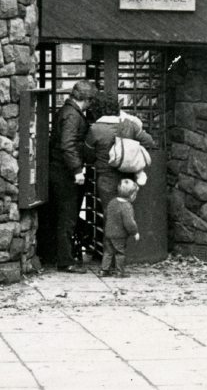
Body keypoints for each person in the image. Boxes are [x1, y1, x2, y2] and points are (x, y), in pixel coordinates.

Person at [84, 91, 155, 227]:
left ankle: (112, 247)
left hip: (106, 179)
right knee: (127, 216)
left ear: (97, 109)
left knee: (111, 218)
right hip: (127, 178)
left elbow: (88, 155)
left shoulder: (95, 130)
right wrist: (132, 153)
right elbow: (150, 142)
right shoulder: (129, 125)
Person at [46, 79, 96, 272]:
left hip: (57, 169)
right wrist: (77, 170)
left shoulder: (66, 112)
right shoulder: (73, 116)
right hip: (64, 172)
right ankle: (65, 260)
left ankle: (58, 255)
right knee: (67, 216)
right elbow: (68, 145)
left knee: (62, 216)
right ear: (87, 99)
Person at [102, 177, 140, 277]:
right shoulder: (127, 206)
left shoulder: (112, 202)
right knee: (120, 253)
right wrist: (135, 232)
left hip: (109, 232)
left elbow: (106, 215)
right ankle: (120, 272)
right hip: (119, 235)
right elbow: (129, 223)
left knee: (108, 252)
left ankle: (104, 270)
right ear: (132, 195)